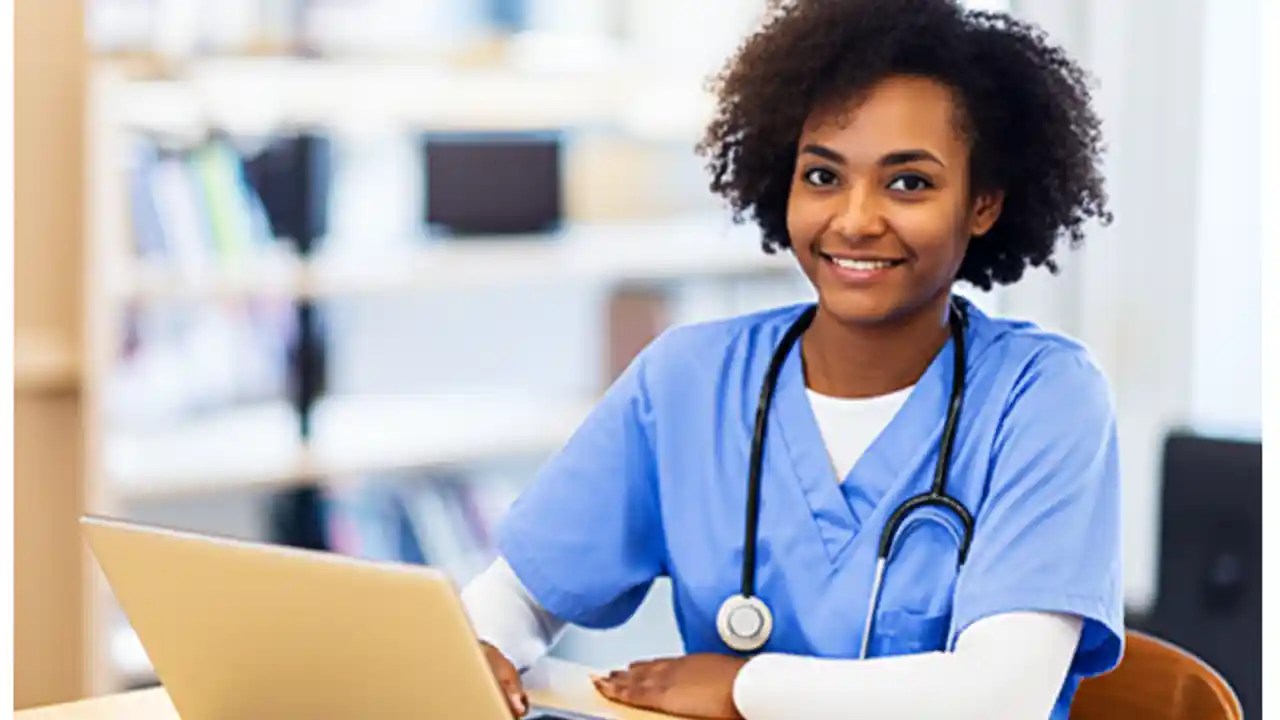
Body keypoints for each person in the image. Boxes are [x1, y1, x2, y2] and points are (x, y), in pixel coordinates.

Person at [462, 0, 1122, 717]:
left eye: (908, 183)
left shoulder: (1044, 396)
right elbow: (521, 591)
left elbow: (1002, 697)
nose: (855, 219)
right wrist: (483, 646)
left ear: (984, 203)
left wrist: (744, 687)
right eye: (823, 176)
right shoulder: (690, 380)